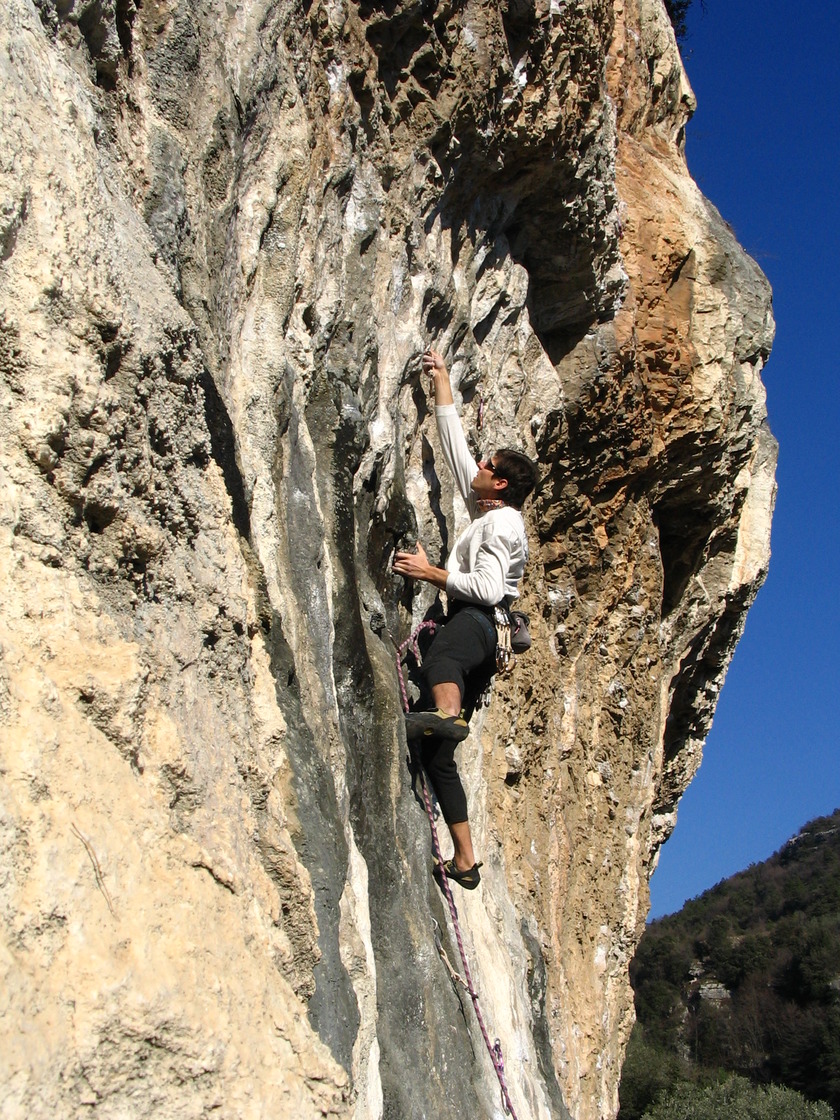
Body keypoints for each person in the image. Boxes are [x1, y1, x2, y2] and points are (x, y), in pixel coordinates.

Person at [393, 348, 539, 889]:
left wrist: (430, 573)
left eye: (489, 467)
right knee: (438, 757)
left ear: (500, 485)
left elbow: (490, 588)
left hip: (478, 623)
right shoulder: (491, 511)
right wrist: (443, 382)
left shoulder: (503, 527)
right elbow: (457, 451)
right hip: (485, 640)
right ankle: (465, 860)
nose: (479, 467)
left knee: (441, 659)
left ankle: (447, 710)